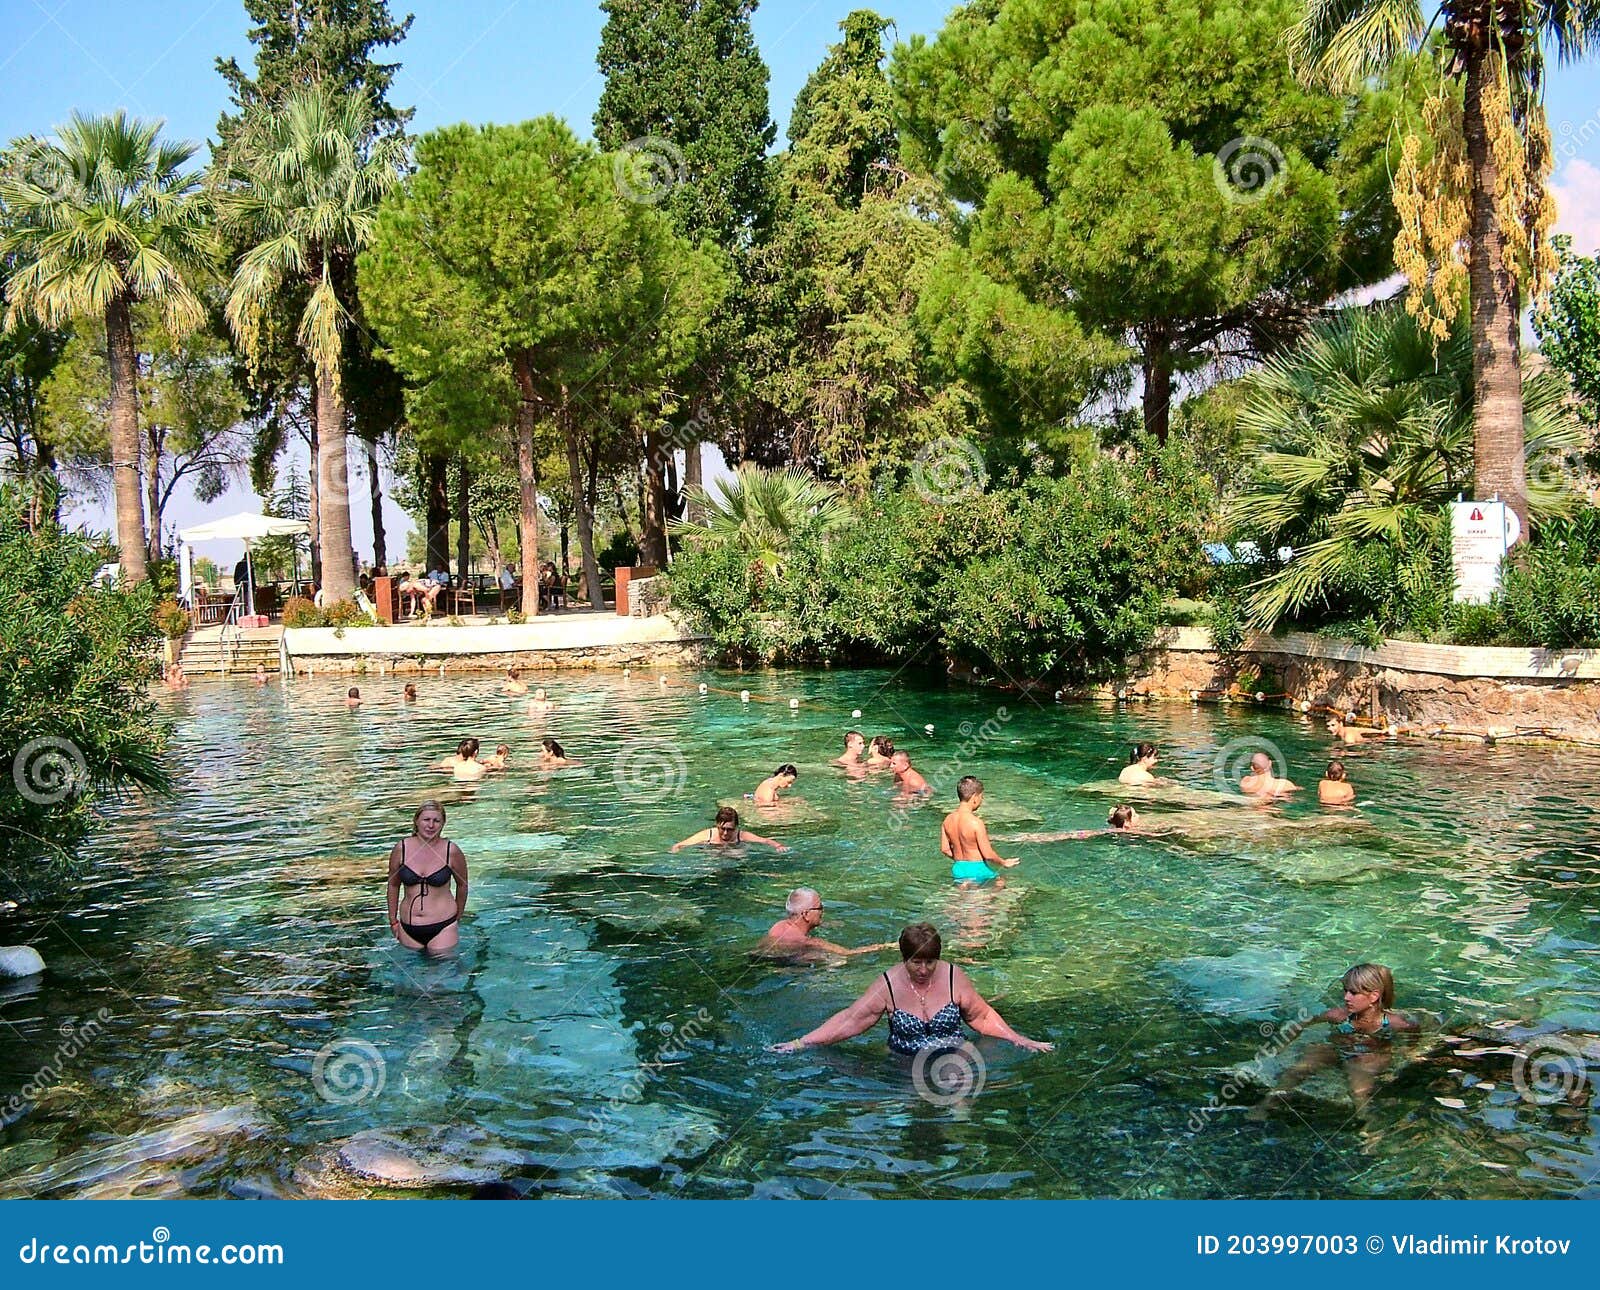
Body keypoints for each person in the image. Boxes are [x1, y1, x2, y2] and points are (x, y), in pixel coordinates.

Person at [768, 922, 1052, 1054]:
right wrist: (801, 1043)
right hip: (903, 1065)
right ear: (904, 959)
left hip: (954, 1058)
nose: (924, 970)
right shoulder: (888, 985)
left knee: (960, 1109)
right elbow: (850, 1020)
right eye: (916, 962)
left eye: (930, 962)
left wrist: (1020, 1039)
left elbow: (983, 1016)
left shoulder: (953, 977)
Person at [1250, 963, 1417, 1116]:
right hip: (1336, 1050)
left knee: (1359, 1090)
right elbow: (1300, 1025)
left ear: (1374, 996)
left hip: (1366, 1056)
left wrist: (1408, 1052)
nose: (1346, 997)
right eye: (1345, 991)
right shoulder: (1338, 1015)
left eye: (1353, 993)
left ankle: (1369, 1125)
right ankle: (1266, 1105)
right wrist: (1281, 1047)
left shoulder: (1393, 1022)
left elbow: (1413, 1032)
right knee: (1298, 1069)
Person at [387, 800, 469, 954]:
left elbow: (462, 885)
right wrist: (393, 920)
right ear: (416, 821)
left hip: (443, 927)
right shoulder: (401, 848)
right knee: (409, 968)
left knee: (442, 968)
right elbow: (393, 884)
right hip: (407, 927)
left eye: (436, 821)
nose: (431, 825)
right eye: (426, 819)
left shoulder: (451, 851)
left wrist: (457, 919)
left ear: (443, 824)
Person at [757, 888, 894, 958]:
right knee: (835, 960)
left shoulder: (778, 926)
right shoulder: (810, 942)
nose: (823, 911)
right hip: (784, 968)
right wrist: (885, 946)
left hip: (763, 957)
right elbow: (849, 953)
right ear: (806, 914)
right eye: (820, 908)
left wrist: (824, 923)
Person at [941, 775, 1018, 883]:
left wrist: (963, 862)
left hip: (958, 869)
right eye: (981, 797)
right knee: (1001, 882)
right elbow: (988, 854)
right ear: (974, 797)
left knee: (965, 889)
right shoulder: (976, 823)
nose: (981, 800)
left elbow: (945, 849)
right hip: (978, 869)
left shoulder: (947, 820)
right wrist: (1004, 862)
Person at [672, 805, 786, 852]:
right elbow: (679, 845)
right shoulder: (708, 835)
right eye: (722, 829)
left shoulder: (741, 835)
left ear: (736, 827)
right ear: (717, 825)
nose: (725, 833)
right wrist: (675, 853)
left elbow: (765, 841)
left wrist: (778, 846)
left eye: (730, 829)